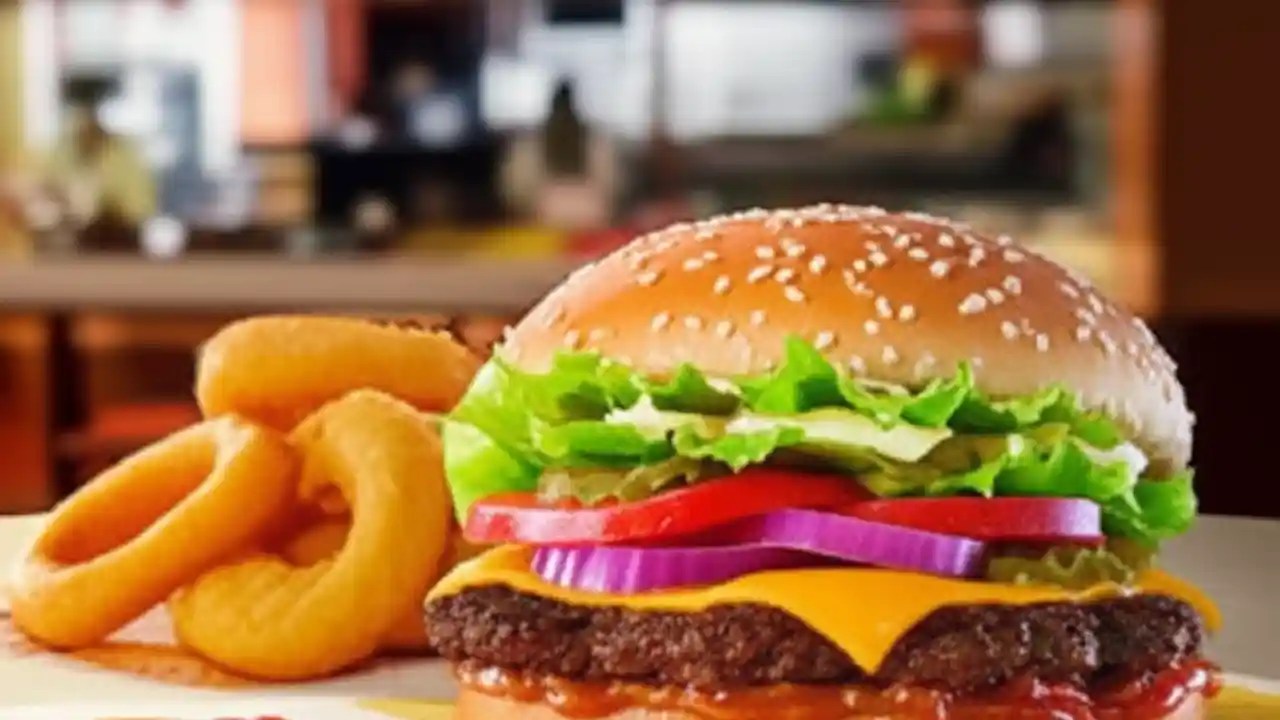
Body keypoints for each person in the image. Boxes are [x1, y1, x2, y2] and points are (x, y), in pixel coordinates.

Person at [499, 79, 620, 231]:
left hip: (584, 215)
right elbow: (516, 188)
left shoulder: (596, 142)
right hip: (551, 215)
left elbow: (515, 187)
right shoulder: (530, 145)